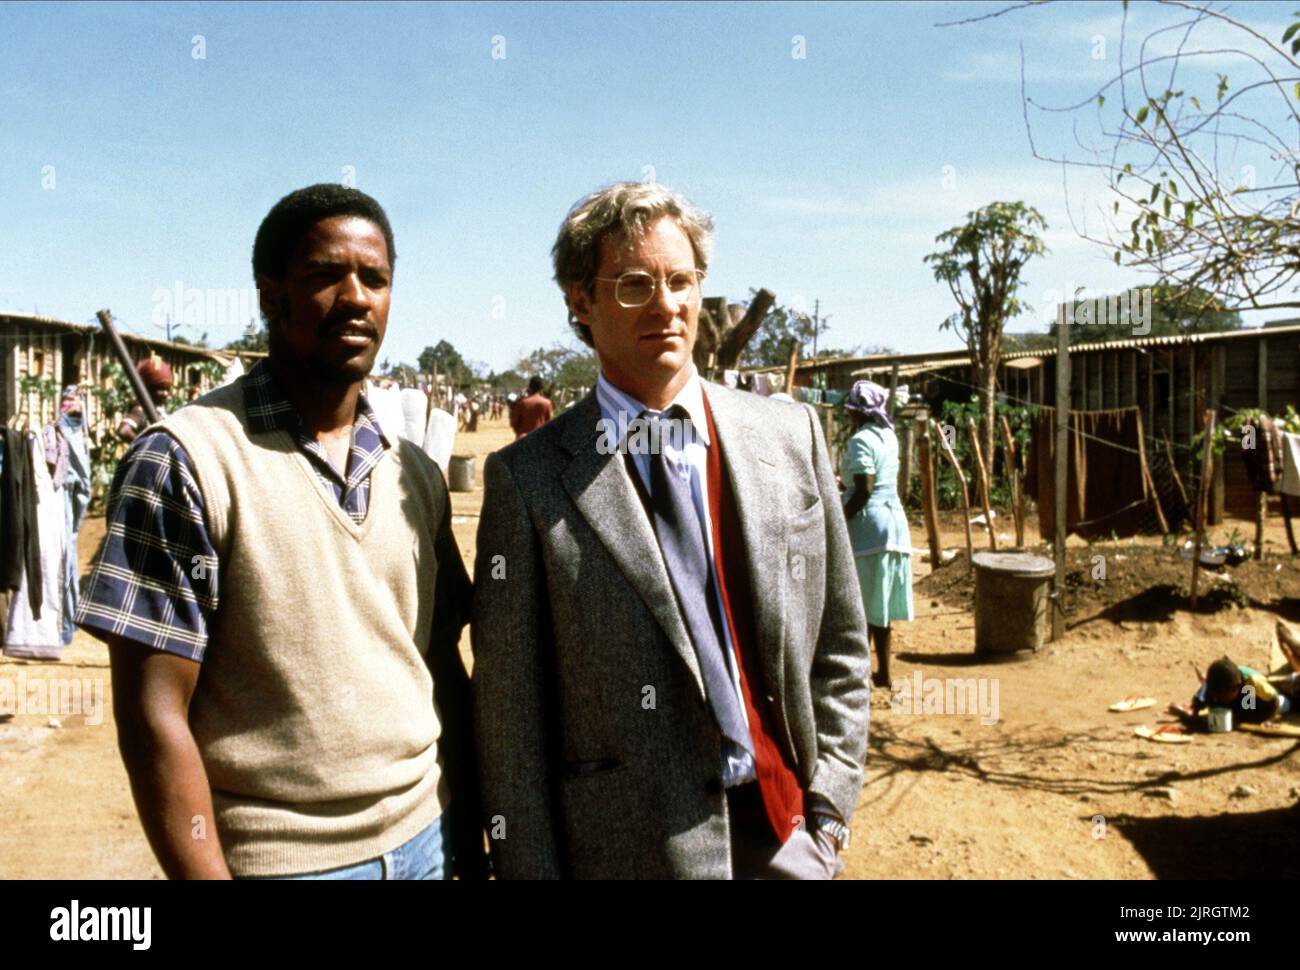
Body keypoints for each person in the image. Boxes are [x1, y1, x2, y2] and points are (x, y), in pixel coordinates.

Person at [76, 183, 484, 881]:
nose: (356, 297)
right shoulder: (185, 460)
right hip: (282, 861)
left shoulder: (412, 470)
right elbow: (153, 717)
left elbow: (441, 665)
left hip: (428, 840)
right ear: (270, 297)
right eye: (326, 275)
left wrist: (472, 833)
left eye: (375, 278)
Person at [472, 181, 871, 879]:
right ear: (580, 302)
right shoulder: (529, 482)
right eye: (633, 285)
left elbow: (840, 641)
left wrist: (830, 809)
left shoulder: (789, 436)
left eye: (680, 280)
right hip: (627, 856)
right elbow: (512, 728)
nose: (667, 305)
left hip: (790, 837)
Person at [840, 380, 913, 689]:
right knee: (879, 605)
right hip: (895, 523)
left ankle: (858, 675)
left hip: (870, 529)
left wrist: (840, 518)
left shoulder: (860, 440)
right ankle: (883, 672)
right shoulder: (889, 437)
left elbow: (865, 490)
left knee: (860, 605)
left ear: (858, 413)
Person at [116, 356, 173, 444]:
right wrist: (145, 446)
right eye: (160, 389)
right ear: (147, 388)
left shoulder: (159, 410)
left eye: (167, 389)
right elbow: (124, 431)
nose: (165, 394)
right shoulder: (141, 410)